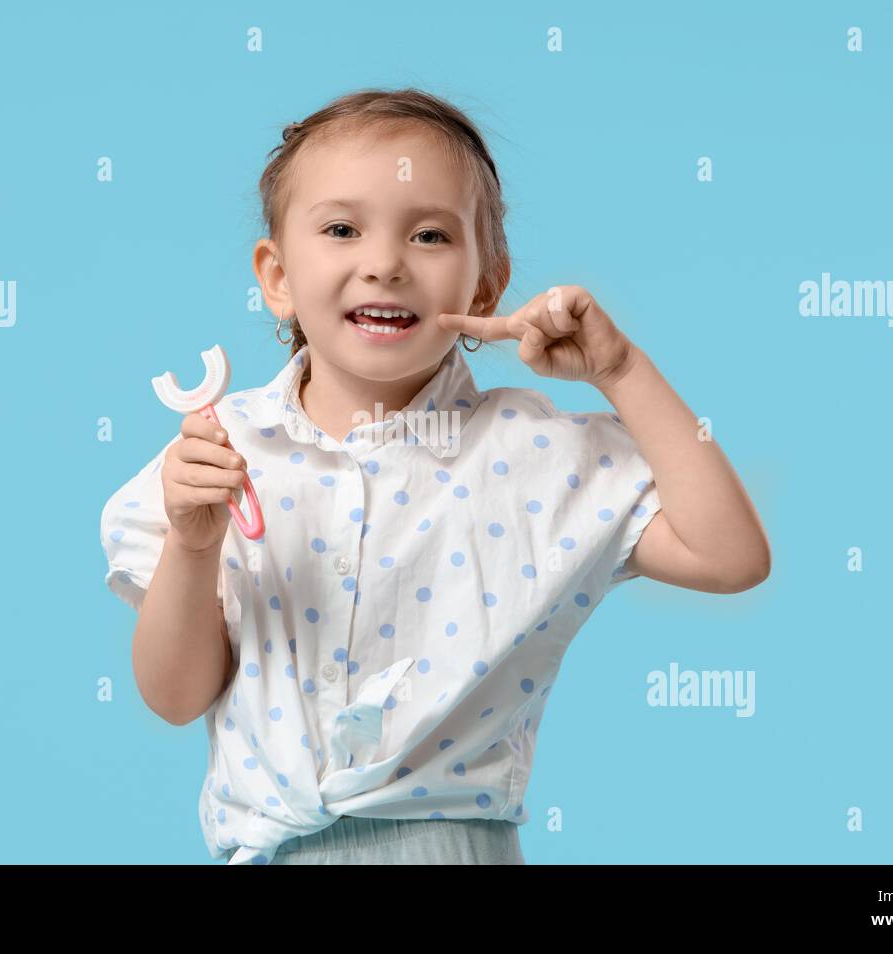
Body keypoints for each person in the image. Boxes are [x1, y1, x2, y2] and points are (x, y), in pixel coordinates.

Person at [99, 88, 771, 865]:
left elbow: (732, 557)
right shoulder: (222, 457)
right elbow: (176, 697)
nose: (383, 264)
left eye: (428, 235)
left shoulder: (533, 454)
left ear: (486, 283)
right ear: (276, 276)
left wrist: (622, 371)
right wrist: (191, 545)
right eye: (343, 229)